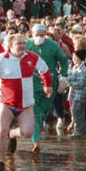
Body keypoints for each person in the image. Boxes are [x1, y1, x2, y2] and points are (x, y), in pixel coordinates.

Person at [0, 32, 53, 171]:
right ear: (10, 45)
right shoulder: (1, 59)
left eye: (23, 43)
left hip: (25, 104)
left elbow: (45, 70)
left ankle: (12, 134)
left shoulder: (32, 57)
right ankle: (0, 162)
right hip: (6, 102)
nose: (22, 46)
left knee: (27, 132)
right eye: (18, 44)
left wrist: (47, 85)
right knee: (0, 131)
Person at [26, 23, 69, 152]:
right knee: (36, 111)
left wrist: (64, 77)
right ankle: (36, 142)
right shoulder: (27, 44)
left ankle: (37, 130)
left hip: (51, 82)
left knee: (44, 110)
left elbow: (64, 60)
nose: (39, 37)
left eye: (42, 35)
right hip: (32, 82)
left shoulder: (53, 45)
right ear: (32, 35)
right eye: (36, 35)